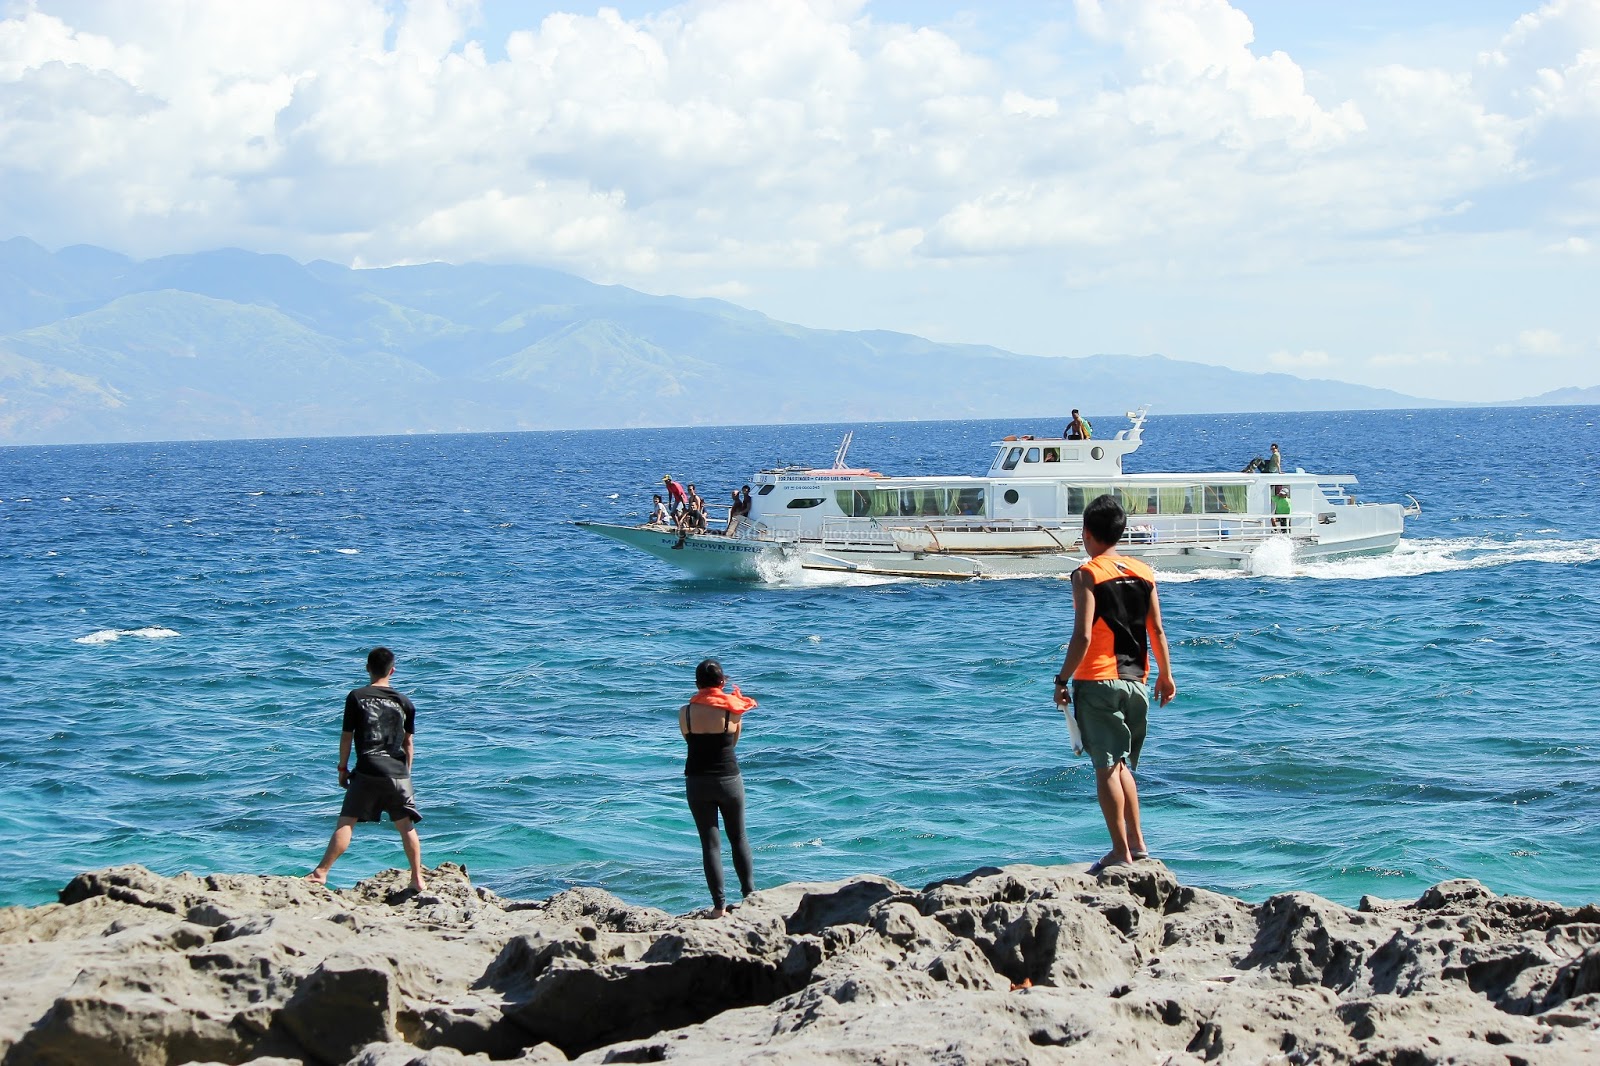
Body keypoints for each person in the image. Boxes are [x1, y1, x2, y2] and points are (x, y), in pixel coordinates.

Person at [1053, 495, 1176, 875]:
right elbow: (1156, 629)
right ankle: (1138, 845)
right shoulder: (1143, 571)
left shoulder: (1087, 573)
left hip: (1098, 680)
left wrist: (1061, 680)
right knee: (1120, 764)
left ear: (1087, 533)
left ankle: (1120, 852)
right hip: (1137, 680)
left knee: (1105, 767)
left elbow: (1083, 637)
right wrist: (1167, 675)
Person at [307, 647, 426, 893]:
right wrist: (406, 775)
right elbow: (408, 744)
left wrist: (342, 768)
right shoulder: (405, 702)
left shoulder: (356, 696)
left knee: (347, 822)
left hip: (368, 769)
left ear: (367, 668)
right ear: (392, 670)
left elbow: (346, 737)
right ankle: (417, 879)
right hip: (398, 773)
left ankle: (321, 873)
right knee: (406, 827)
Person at [680, 659, 757, 917]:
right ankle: (750, 897)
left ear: (697, 684)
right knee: (738, 838)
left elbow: (689, 740)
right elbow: (732, 742)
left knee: (710, 844)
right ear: (722, 683)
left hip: (697, 781)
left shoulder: (686, 712)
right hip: (729, 780)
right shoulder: (732, 711)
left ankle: (718, 907)